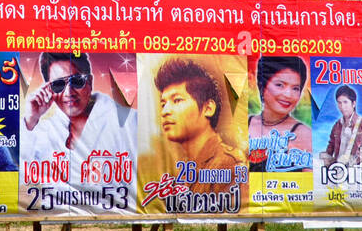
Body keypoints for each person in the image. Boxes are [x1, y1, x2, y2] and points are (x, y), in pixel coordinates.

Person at [21, 53, 136, 198]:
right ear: (49, 90)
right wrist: (31, 120)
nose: (68, 92)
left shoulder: (127, 122)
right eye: (58, 85)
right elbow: (21, 178)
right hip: (57, 213)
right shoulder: (44, 131)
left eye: (76, 81)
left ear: (90, 82)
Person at [154, 57, 244, 192]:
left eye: (177, 100)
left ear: (208, 108)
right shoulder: (185, 168)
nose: (165, 111)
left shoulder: (228, 164)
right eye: (163, 104)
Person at [247, 56, 315, 173]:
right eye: (280, 85)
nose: (288, 95)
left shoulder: (304, 134)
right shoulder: (244, 125)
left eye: (295, 88)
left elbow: (310, 186)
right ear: (263, 86)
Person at [320, 85, 362, 166]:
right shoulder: (337, 125)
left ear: (353, 103)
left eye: (345, 102)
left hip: (358, 171)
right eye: (339, 103)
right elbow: (331, 146)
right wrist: (326, 159)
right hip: (339, 171)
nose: (342, 106)